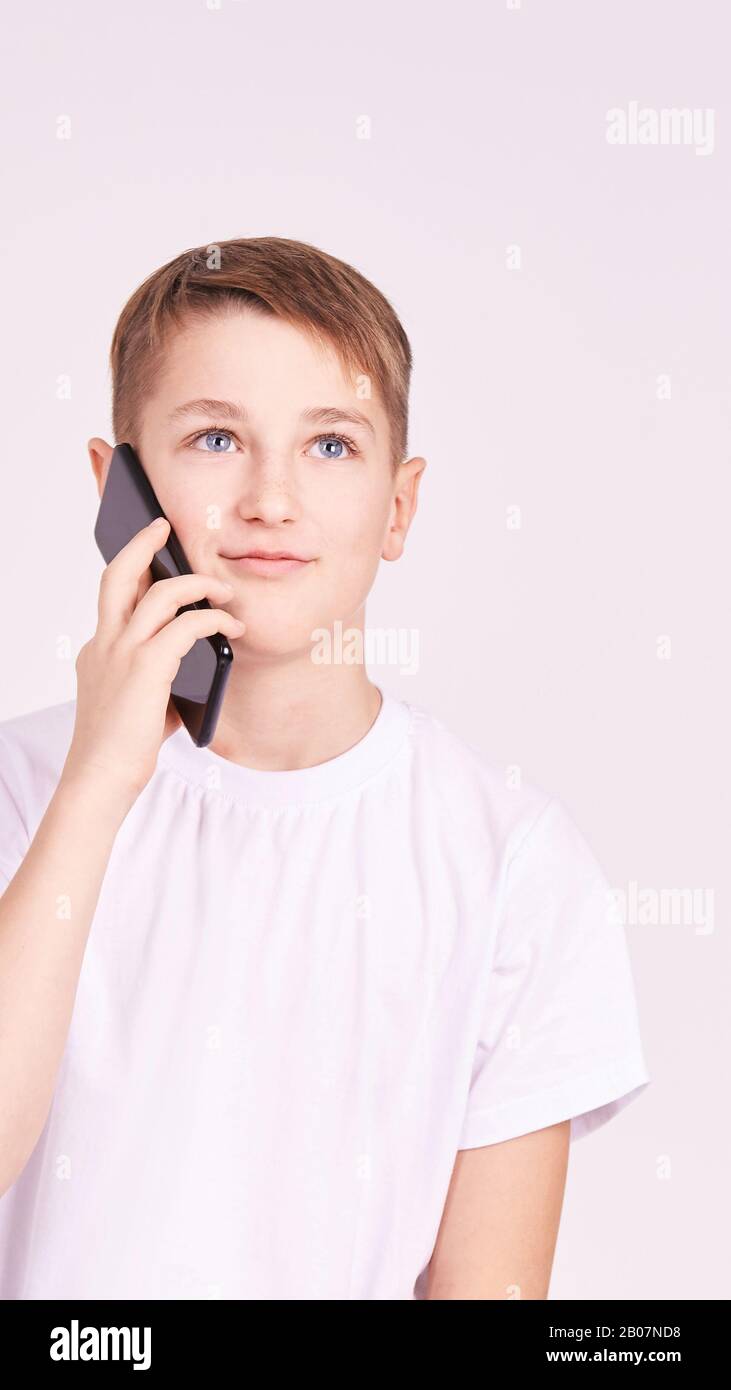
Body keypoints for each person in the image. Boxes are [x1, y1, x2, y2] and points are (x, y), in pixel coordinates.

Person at [0, 236, 651, 1300]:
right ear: (114, 486)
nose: (269, 498)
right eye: (216, 437)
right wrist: (96, 782)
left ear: (398, 506)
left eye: (330, 447)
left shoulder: (509, 867)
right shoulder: (24, 789)